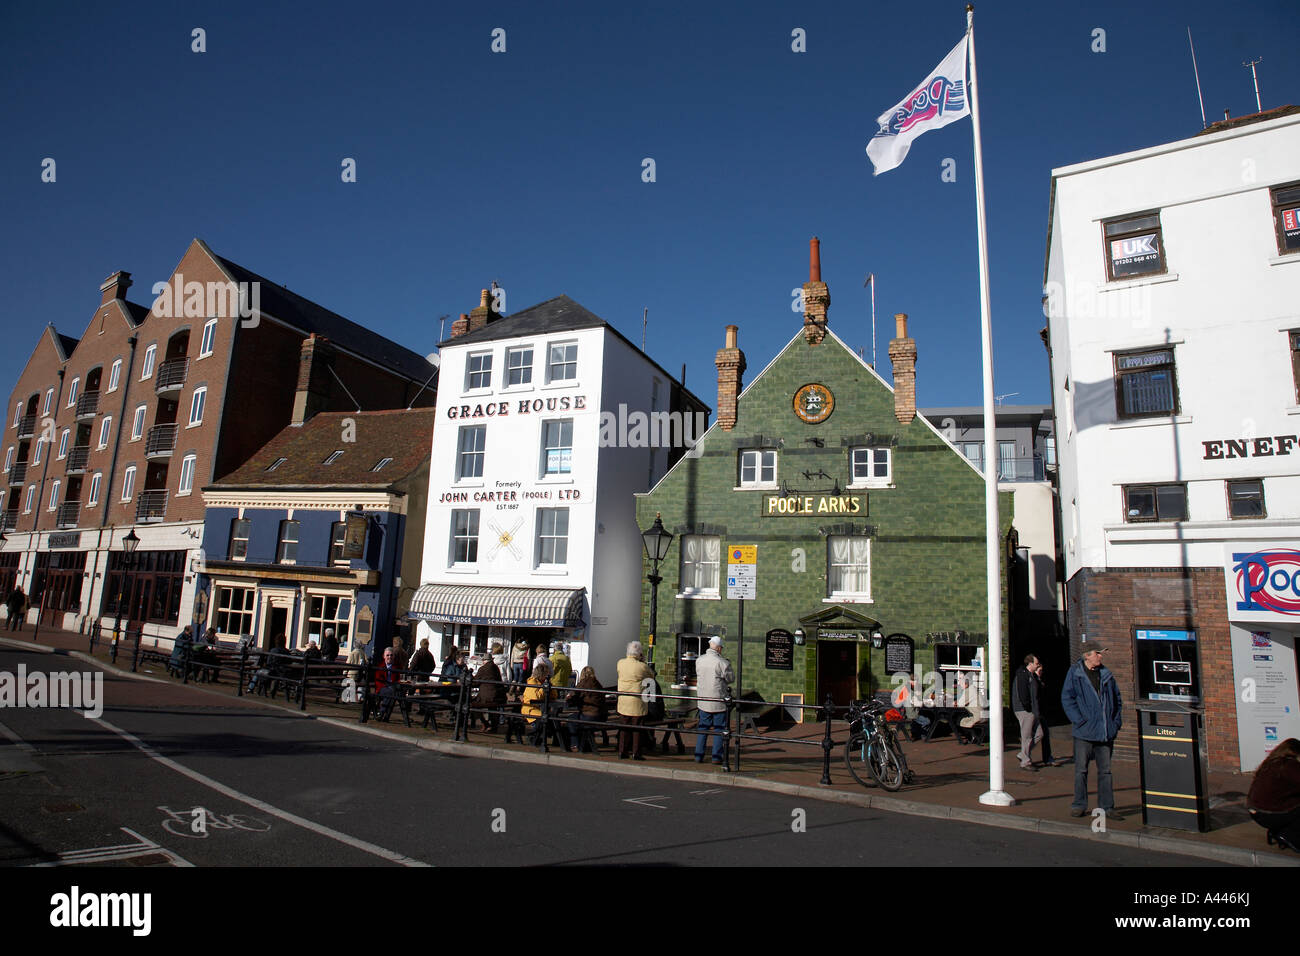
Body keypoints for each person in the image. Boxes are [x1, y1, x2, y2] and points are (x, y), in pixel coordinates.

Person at [1061, 642, 1123, 819]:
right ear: (1087, 655)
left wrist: (1115, 722)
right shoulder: (1076, 674)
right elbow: (1067, 698)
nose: (1101, 656)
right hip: (1084, 732)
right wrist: (1079, 720)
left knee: (1106, 771)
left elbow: (1117, 700)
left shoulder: (1106, 674)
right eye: (1098, 653)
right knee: (1081, 770)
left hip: (1105, 732)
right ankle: (1079, 804)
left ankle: (1107, 807)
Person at [1247, 738, 1300, 851]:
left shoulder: (1273, 762)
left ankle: (1280, 831)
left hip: (1257, 810)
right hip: (1270, 813)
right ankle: (1288, 835)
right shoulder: (1290, 765)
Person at [694, 636, 734, 765]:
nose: (721, 650)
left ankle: (698, 755)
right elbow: (730, 679)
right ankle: (716, 757)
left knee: (703, 728)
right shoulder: (722, 663)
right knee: (719, 729)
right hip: (717, 701)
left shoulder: (699, 660)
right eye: (721, 647)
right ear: (718, 648)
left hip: (703, 700)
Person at [616, 640, 654, 761]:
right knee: (637, 728)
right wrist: (642, 661)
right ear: (639, 653)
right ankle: (636, 753)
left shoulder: (620, 663)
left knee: (624, 727)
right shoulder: (642, 666)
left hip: (623, 700)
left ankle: (622, 751)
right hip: (637, 701)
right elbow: (651, 677)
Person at [521, 659, 563, 747]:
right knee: (543, 720)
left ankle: (558, 741)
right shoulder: (532, 682)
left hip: (542, 708)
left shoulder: (546, 682)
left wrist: (549, 687)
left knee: (553, 720)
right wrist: (544, 688)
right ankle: (534, 737)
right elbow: (535, 697)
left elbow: (554, 695)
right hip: (531, 708)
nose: (548, 676)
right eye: (546, 674)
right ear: (541, 674)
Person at [1012, 655, 1043, 771]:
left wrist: (1038, 677)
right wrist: (1027, 707)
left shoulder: (1032, 676)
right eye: (1036, 663)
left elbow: (1038, 691)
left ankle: (1023, 754)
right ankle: (1025, 761)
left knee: (1039, 733)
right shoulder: (1023, 675)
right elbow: (1022, 692)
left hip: (1032, 710)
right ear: (1030, 664)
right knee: (1027, 736)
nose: (1038, 665)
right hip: (1024, 710)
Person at [566, 665, 607, 752]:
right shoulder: (597, 684)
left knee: (571, 719)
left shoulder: (583, 683)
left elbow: (573, 697)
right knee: (576, 717)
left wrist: (569, 698)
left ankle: (575, 744)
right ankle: (584, 743)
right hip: (601, 716)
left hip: (590, 716)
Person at [473, 648, 505, 732]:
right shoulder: (496, 668)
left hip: (486, 697)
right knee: (493, 708)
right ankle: (493, 726)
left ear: (484, 661)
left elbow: (474, 683)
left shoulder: (482, 669)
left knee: (473, 706)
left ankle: (485, 723)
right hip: (497, 695)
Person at [373, 646, 402, 721]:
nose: (390, 657)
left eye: (391, 655)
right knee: (391, 693)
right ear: (384, 656)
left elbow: (399, 678)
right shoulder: (380, 666)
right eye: (388, 655)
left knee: (395, 693)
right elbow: (378, 681)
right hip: (382, 688)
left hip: (393, 687)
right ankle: (383, 713)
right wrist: (386, 686)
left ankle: (382, 714)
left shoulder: (397, 666)